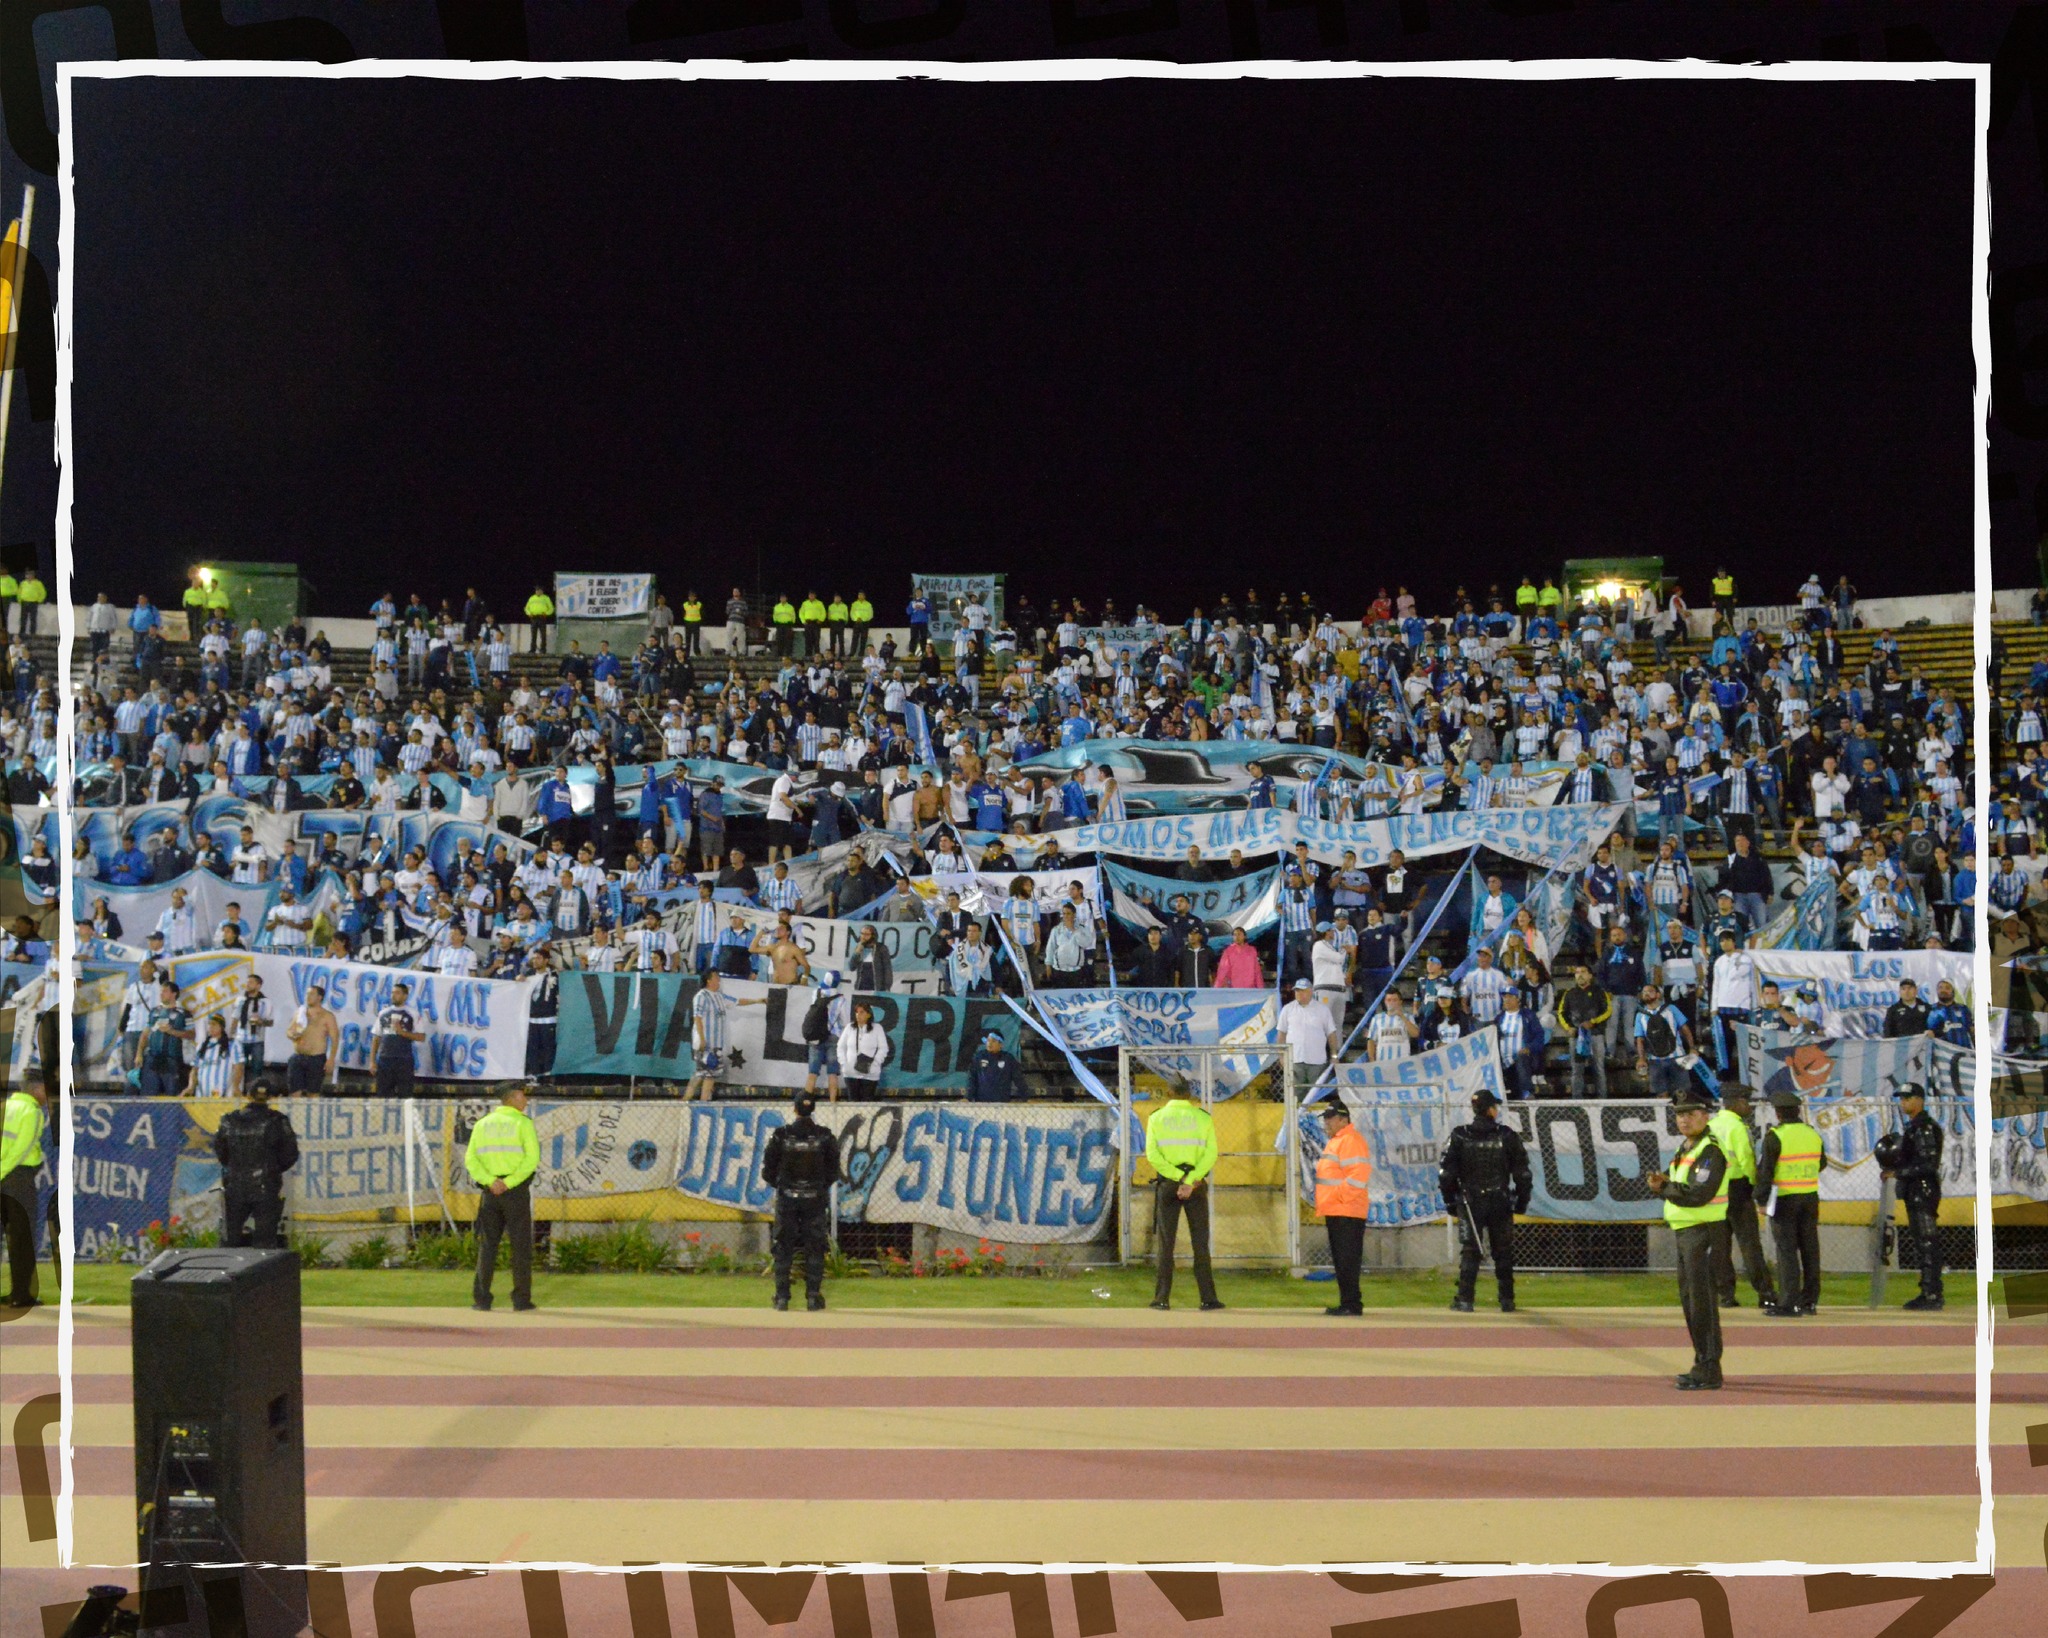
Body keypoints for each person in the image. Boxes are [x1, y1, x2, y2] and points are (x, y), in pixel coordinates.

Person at [1646, 1092, 1729, 1389]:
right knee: (1691, 1301)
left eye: (1691, 1113)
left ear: (1706, 1116)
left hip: (1703, 1231)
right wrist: (1664, 1184)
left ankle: (1708, 1368)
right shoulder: (1688, 1147)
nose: (1684, 1119)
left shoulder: (1710, 1151)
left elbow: (1698, 1194)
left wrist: (1664, 1188)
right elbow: (1680, 1184)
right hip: (1688, 1232)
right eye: (1680, 1114)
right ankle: (1703, 1363)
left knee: (1701, 1302)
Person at [1438, 1089, 1532, 1312]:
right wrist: (1521, 1201)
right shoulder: (1507, 1136)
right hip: (1499, 1200)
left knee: (1470, 1250)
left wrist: (1450, 1201)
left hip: (1471, 1201)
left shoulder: (1459, 1136)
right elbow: (1523, 1173)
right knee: (1503, 1250)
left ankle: (1465, 1299)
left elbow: (1446, 1174)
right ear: (1491, 1110)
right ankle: (1507, 1299)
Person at [1144, 1081, 1224, 1311]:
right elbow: (1211, 1154)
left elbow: (1153, 1155)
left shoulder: (1156, 1117)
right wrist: (1190, 1180)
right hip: (1196, 1184)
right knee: (1200, 1243)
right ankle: (1208, 1298)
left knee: (1166, 1243)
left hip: (1169, 1184)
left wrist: (1178, 1177)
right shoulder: (1203, 1117)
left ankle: (1161, 1298)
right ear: (1190, 1094)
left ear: (1169, 1093)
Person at [760, 1093, 840, 1311]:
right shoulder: (824, 1137)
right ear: (812, 1109)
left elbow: (768, 1169)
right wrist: (818, 1187)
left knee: (783, 1246)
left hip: (787, 1198)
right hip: (815, 1199)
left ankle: (782, 1296)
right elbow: (834, 1171)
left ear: (795, 1109)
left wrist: (783, 1186)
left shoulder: (781, 1136)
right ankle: (813, 1296)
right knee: (814, 1246)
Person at [467, 1084, 539, 1313]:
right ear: (514, 1097)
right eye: (523, 1095)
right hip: (515, 1192)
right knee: (520, 1246)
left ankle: (481, 1299)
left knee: (487, 1246)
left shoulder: (482, 1124)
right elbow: (531, 1160)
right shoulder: (523, 1123)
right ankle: (521, 1300)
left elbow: (471, 1160)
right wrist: (508, 1183)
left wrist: (490, 1181)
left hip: (490, 1192)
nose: (526, 1100)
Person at [1707, 1086, 1777, 1311]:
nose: (1748, 1106)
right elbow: (1746, 1158)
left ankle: (1726, 1295)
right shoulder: (1737, 1126)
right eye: (1746, 1102)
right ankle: (1765, 1293)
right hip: (1738, 1189)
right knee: (1749, 1244)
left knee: (1720, 1245)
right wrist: (1755, 1183)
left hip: (1715, 1189)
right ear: (1735, 1102)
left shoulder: (1710, 1125)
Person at [1755, 1089, 1824, 1316]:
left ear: (1778, 1113)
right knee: (1810, 1249)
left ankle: (1788, 1302)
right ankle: (1809, 1301)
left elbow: (1766, 1171)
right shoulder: (1812, 1133)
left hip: (1784, 1198)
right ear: (1797, 1111)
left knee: (1786, 1251)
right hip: (1810, 1196)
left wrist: (1761, 1199)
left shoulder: (1776, 1136)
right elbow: (1821, 1162)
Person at [212, 1082, 300, 1249]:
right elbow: (290, 1154)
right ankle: (263, 1273)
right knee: (265, 1240)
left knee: (230, 1238)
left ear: (248, 1095)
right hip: (266, 1185)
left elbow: (220, 1152)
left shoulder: (229, 1120)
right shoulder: (278, 1121)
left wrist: (234, 1168)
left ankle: (227, 1271)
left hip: (234, 1183)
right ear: (270, 1097)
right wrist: (273, 1169)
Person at [1887, 1084, 1946, 1311]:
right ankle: (1929, 1291)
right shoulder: (1915, 1127)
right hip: (1916, 1189)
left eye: (1907, 1098)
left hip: (1923, 1190)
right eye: (1901, 1098)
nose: (1903, 1103)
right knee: (1923, 1243)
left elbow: (1929, 1164)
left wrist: (1899, 1172)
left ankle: (1932, 1294)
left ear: (1919, 1100)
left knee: (1927, 1242)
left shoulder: (1924, 1128)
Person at [1313, 1100, 1373, 1316]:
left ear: (1342, 1119)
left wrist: (1338, 1197)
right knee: (1343, 1260)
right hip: (1339, 1209)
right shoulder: (1340, 1140)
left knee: (1347, 1260)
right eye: (1326, 1119)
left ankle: (1351, 1304)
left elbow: (1359, 1175)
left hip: (1346, 1210)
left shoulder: (1349, 1140)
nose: (1327, 1123)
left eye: (1330, 1119)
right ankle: (1348, 1302)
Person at [1, 1080, 47, 1308]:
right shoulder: (32, 1111)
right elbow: (24, 1148)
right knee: (21, 1239)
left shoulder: (5, 1106)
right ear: (35, 1089)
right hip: (17, 1178)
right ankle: (21, 1295)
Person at [285, 984, 340, 1094]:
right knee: (294, 1091)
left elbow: (335, 1039)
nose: (308, 996)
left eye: (311, 994)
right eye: (307, 994)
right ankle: (296, 1111)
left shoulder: (327, 1016)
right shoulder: (300, 1013)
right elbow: (289, 1031)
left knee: (313, 1093)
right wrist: (293, 1035)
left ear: (319, 997)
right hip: (298, 1056)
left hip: (316, 1058)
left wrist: (331, 1060)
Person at [374, 981, 426, 1098]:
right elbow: (376, 1037)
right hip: (385, 1059)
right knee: (383, 1094)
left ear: (405, 996)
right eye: (392, 993)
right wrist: (372, 1061)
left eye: (397, 993)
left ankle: (404, 1116)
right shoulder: (383, 1013)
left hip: (404, 1060)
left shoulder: (412, 1013)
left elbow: (421, 1037)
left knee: (405, 1094)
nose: (393, 995)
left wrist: (402, 1032)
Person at [836, 998, 890, 1099]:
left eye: (862, 1012)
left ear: (869, 1014)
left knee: (867, 1103)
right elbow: (840, 1046)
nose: (858, 1015)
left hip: (870, 1073)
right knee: (853, 1103)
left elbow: (883, 1048)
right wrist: (844, 1064)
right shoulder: (849, 1027)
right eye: (856, 1012)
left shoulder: (877, 1028)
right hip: (850, 1073)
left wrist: (875, 1063)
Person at [967, 1027, 1025, 1102]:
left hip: (1002, 1103)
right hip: (981, 1103)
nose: (989, 1043)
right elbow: (972, 1078)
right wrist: (967, 1097)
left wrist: (1026, 1097)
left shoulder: (1008, 1058)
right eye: (988, 1040)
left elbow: (1018, 1079)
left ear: (1000, 1045)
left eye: (993, 1041)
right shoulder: (979, 1057)